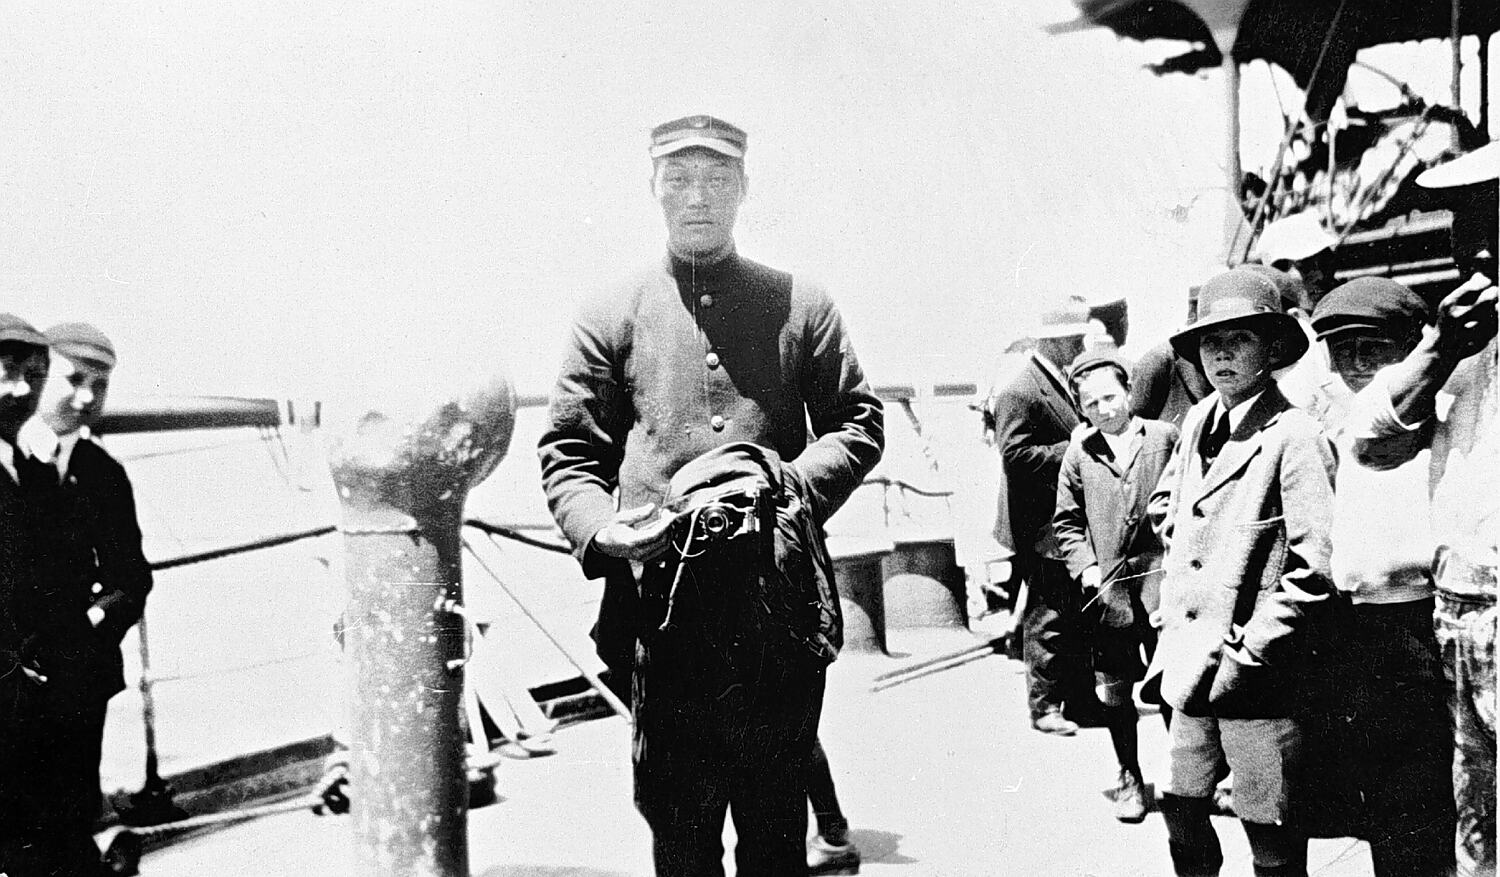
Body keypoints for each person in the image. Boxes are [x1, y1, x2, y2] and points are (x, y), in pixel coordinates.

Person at [537, 114, 884, 876]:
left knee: (773, 831)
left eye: (717, 179)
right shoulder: (611, 311)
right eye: (681, 179)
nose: (699, 196)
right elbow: (568, 454)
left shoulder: (801, 302)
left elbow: (858, 422)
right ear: (654, 187)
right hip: (663, 619)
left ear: (744, 189)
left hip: (778, 612)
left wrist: (783, 485)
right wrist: (605, 530)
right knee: (681, 837)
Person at [1146, 268, 1337, 877]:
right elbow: (1168, 503)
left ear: (1274, 350)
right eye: (1209, 342)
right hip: (1186, 658)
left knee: (1268, 823)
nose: (1221, 353)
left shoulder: (1296, 435)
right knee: (1181, 804)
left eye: (1240, 339)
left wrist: (1249, 650)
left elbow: (1315, 570)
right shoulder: (1200, 420)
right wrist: (1180, 570)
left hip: (1254, 670)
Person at [1352, 142, 1497, 877]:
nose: (1474, 245)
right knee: (1475, 818)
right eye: (1461, 223)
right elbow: (1372, 443)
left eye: (1492, 219)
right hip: (1460, 609)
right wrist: (1439, 347)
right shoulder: (1457, 345)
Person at [1306, 278, 1455, 876]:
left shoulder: (1436, 416)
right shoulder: (1334, 424)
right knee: (1382, 794)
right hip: (1359, 627)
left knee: (1436, 787)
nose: (1358, 364)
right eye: (1343, 351)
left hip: (1426, 618)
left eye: (1374, 347)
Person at [1051, 350, 1178, 822]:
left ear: (1127, 393)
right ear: (1081, 409)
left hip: (1162, 586)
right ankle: (1128, 774)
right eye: (1091, 404)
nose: (1104, 409)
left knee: (1172, 684)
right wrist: (1085, 566)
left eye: (1110, 397)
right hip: (1109, 594)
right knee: (1117, 691)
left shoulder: (1165, 437)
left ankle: (1185, 774)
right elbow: (1066, 523)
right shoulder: (1079, 453)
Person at [0, 315, 106, 876]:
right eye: (9, 373)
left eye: (33, 375)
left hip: (46, 700)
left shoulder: (26, 469)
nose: (23, 390)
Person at [989, 297, 1096, 735]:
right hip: (1039, 524)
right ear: (1051, 343)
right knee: (1047, 616)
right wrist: (1072, 448)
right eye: (1073, 340)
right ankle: (1045, 706)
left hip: (1063, 520)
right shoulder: (1020, 389)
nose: (1078, 347)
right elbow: (1015, 456)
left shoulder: (1059, 380)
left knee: (1078, 613)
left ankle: (1082, 700)